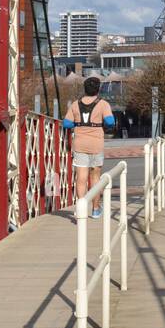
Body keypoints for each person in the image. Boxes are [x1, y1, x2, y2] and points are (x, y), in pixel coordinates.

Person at [63, 76, 115, 220]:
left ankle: (81, 208)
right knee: (95, 177)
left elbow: (66, 124)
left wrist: (78, 125)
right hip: (96, 144)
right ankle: (96, 209)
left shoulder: (75, 104)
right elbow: (110, 121)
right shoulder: (103, 104)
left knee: (81, 177)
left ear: (84, 89)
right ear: (98, 89)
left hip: (79, 143)